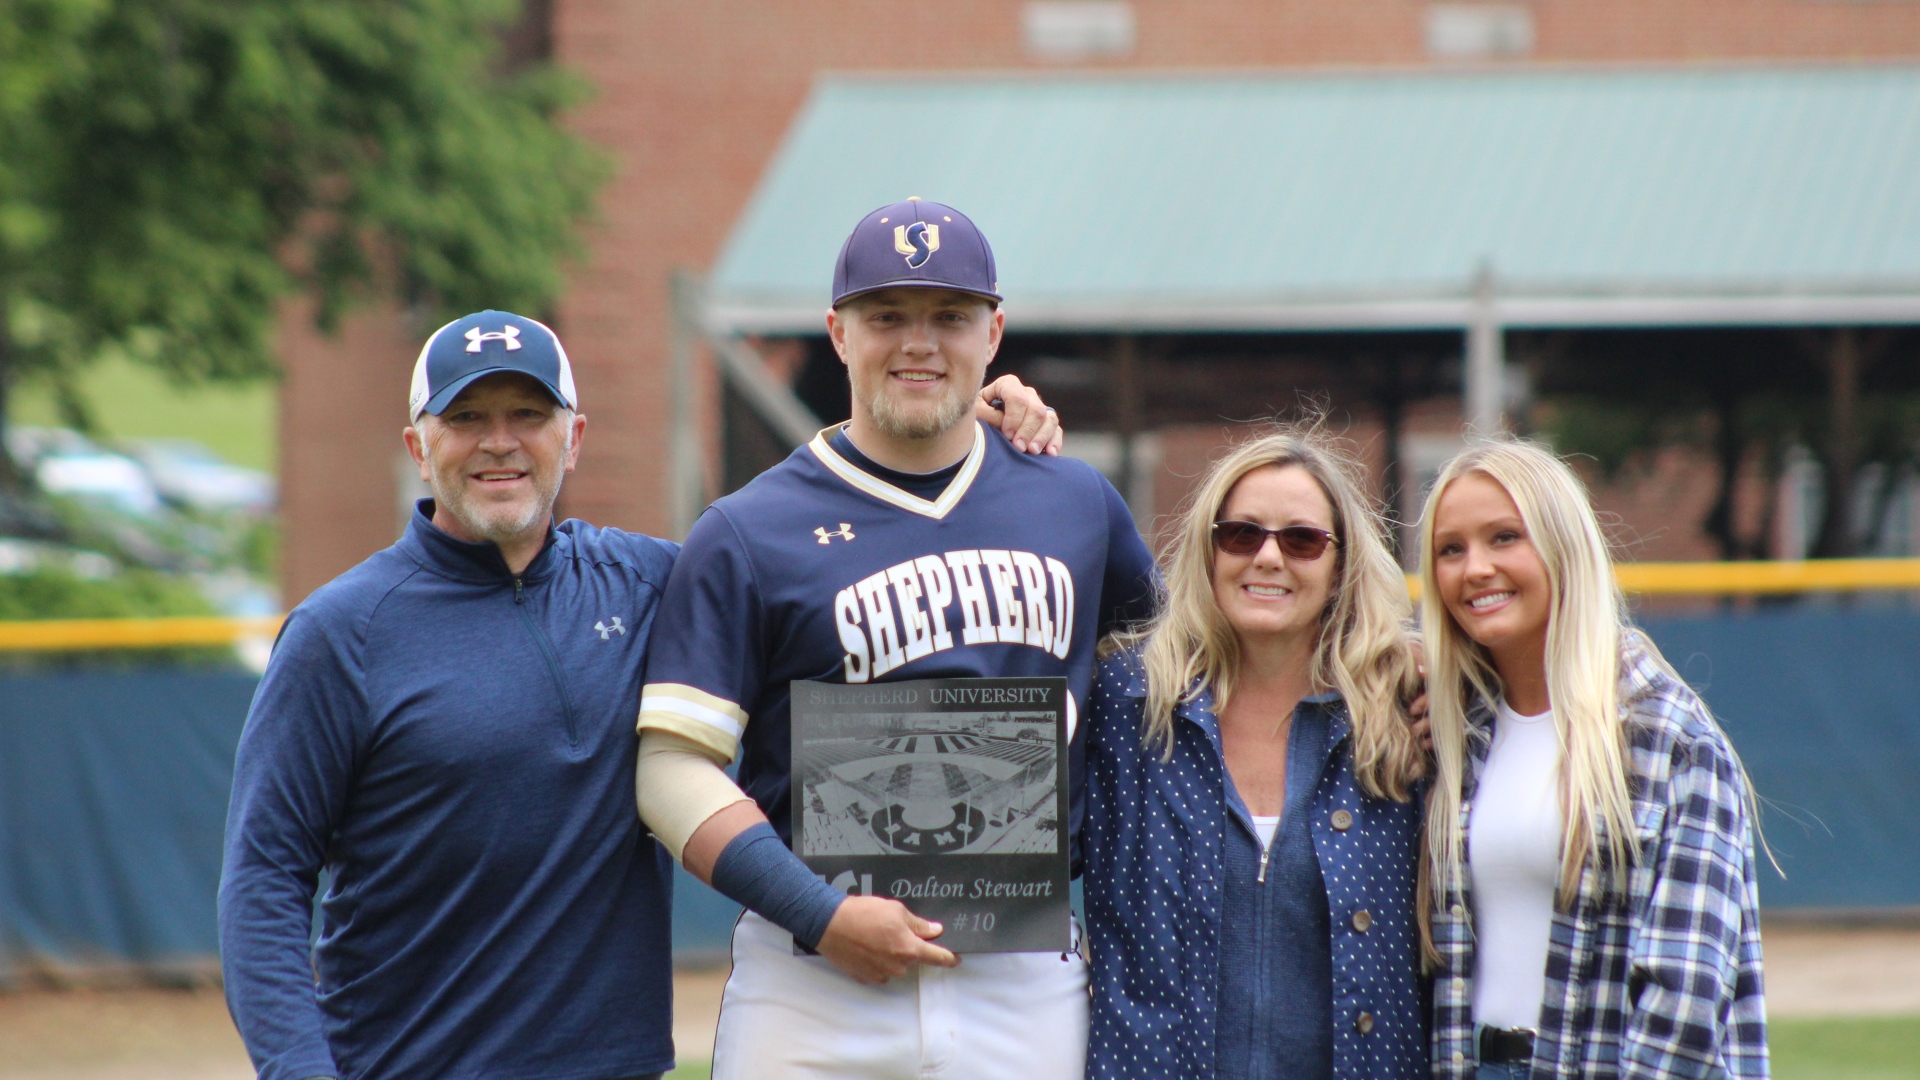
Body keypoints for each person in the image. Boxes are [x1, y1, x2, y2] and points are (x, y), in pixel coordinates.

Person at [217, 306, 1069, 1080]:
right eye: (466, 418)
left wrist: (959, 423)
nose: (499, 442)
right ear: (418, 446)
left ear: (574, 436)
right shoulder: (344, 631)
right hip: (406, 1062)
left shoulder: (650, 582)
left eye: (528, 415)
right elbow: (264, 876)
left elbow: (819, 548)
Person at [634, 197, 1158, 1080]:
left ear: (994, 333)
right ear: (838, 333)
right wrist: (818, 912)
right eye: (887, 316)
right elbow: (669, 769)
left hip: (1021, 972)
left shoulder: (1077, 503)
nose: (919, 342)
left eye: (949, 316)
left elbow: (1191, 673)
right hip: (811, 981)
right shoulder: (748, 529)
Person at [1081, 425, 1431, 1079]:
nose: (1268, 557)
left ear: (1340, 563)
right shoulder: (1126, 702)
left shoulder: (1406, 711)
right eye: (1241, 534)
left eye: (1301, 540)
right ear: (1208, 550)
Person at [1417, 439, 1767, 1079]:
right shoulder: (1450, 737)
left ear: (1562, 547)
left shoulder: (1668, 737)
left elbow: (1684, 1003)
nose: (1475, 568)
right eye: (1451, 549)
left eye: (1503, 538)